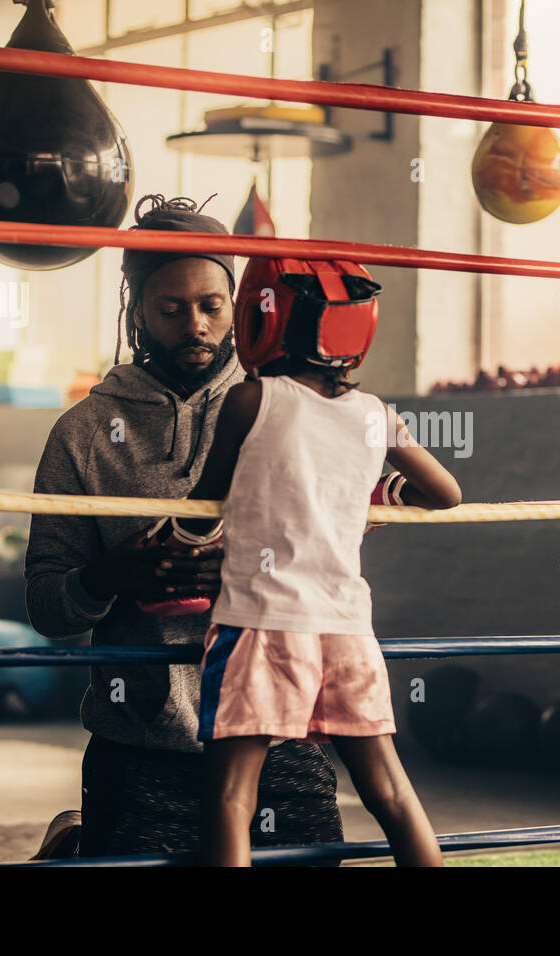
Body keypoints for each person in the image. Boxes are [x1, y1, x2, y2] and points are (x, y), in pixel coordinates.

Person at [24, 195, 344, 858]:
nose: (194, 326)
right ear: (137, 310)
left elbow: (342, 567)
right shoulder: (84, 434)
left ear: (236, 304)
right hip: (145, 746)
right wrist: (115, 574)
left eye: (211, 306)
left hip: (283, 732)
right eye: (171, 309)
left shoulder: (293, 409)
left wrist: (250, 564)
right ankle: (76, 843)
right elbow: (46, 608)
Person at [147, 255, 461, 866]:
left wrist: (173, 541)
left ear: (266, 325)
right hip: (346, 629)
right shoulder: (377, 416)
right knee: (391, 791)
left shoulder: (250, 399)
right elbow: (446, 494)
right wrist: (384, 493)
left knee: (233, 797)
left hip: (262, 623)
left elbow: (202, 509)